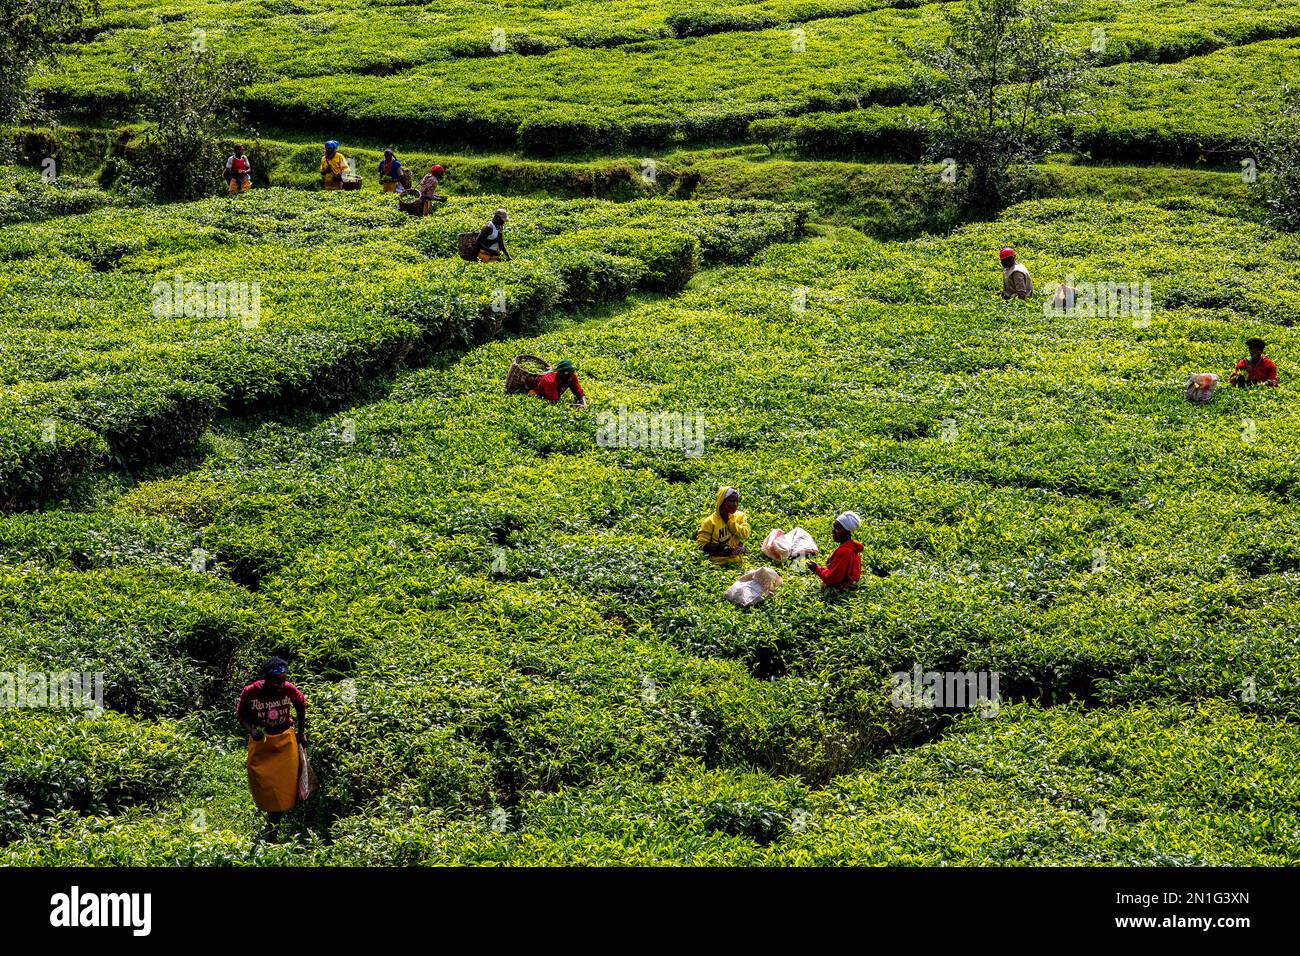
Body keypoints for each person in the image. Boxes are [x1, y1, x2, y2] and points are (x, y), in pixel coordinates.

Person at [237, 656, 308, 841]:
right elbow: (241, 715)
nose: (279, 685)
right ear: (266, 679)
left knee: (281, 788)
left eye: (282, 681)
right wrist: (252, 729)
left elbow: (301, 704)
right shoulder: (250, 692)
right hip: (262, 743)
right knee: (263, 783)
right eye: (276, 682)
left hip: (285, 742)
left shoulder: (288, 688)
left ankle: (272, 834)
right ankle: (271, 825)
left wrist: (301, 732)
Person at [808, 511, 864, 589]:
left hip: (841, 592)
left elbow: (833, 579)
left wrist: (816, 568)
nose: (833, 531)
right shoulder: (852, 547)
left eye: (838, 529)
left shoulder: (845, 551)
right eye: (834, 527)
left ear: (847, 533)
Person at [698, 487, 751, 566]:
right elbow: (702, 545)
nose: (735, 504)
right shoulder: (710, 521)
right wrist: (724, 549)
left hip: (739, 562)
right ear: (722, 501)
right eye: (731, 501)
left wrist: (728, 521)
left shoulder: (740, 516)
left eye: (736, 501)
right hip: (718, 565)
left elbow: (745, 534)